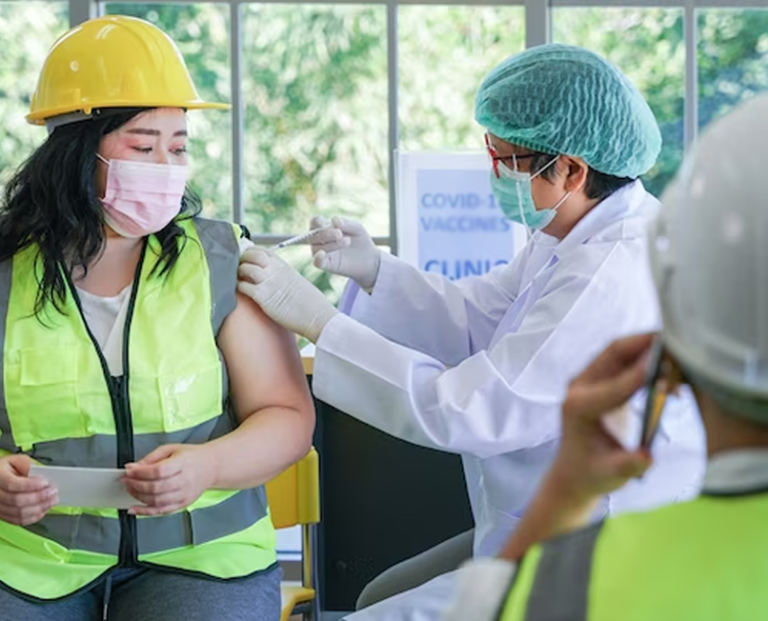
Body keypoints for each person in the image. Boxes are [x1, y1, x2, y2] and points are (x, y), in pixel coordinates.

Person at [238, 44, 704, 620]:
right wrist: (375, 270)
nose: (495, 171)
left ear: (573, 169)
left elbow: (473, 410)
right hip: (548, 524)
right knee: (379, 597)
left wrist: (318, 323)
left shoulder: (611, 274)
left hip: (599, 564)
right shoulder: (572, 233)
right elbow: (478, 316)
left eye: (508, 159)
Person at [0, 15, 314, 621]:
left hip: (204, 560)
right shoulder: (6, 270)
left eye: (178, 147)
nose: (166, 166)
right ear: (72, 152)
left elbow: (288, 417)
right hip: (31, 563)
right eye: (143, 147)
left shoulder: (220, 260)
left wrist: (208, 466)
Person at [442, 93, 768, 621]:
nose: (498, 173)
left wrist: (568, 487)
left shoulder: (612, 576)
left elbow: (499, 607)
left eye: (509, 160)